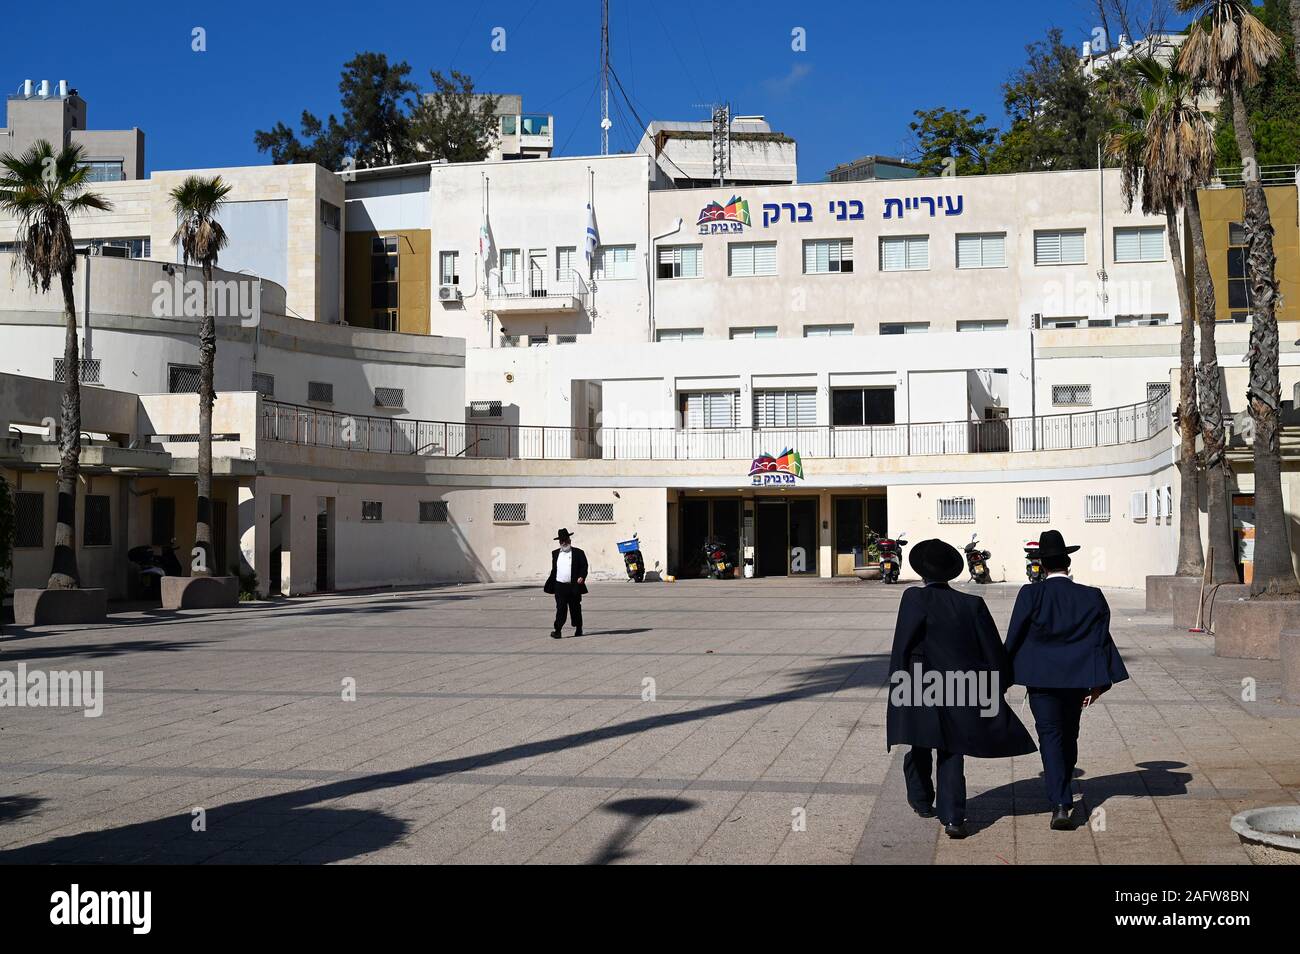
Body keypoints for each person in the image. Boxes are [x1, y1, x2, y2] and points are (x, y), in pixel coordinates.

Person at [887, 539, 1036, 839]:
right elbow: (991, 648)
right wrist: (998, 682)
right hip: (961, 686)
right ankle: (953, 817)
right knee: (952, 749)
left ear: (922, 572)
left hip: (920, 683)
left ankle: (921, 801)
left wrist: (897, 683)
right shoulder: (972, 604)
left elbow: (902, 643)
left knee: (919, 742)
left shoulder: (914, 598)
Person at [1004, 529, 1129, 830]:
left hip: (1041, 679)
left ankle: (1061, 801)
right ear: (1068, 563)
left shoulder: (1030, 594)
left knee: (1050, 736)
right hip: (1078, 680)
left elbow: (1014, 636)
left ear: (1042, 566)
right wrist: (1101, 684)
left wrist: (1002, 672)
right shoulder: (1091, 596)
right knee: (1070, 733)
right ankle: (1062, 783)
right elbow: (1101, 640)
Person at [544, 528, 587, 639]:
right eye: (562, 541)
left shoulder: (578, 553)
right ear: (559, 542)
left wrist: (582, 576)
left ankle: (578, 628)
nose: (564, 543)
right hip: (560, 586)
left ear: (569, 540)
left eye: (566, 540)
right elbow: (555, 570)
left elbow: (584, 566)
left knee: (575, 608)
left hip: (573, 586)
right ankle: (557, 630)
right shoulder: (555, 554)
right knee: (561, 609)